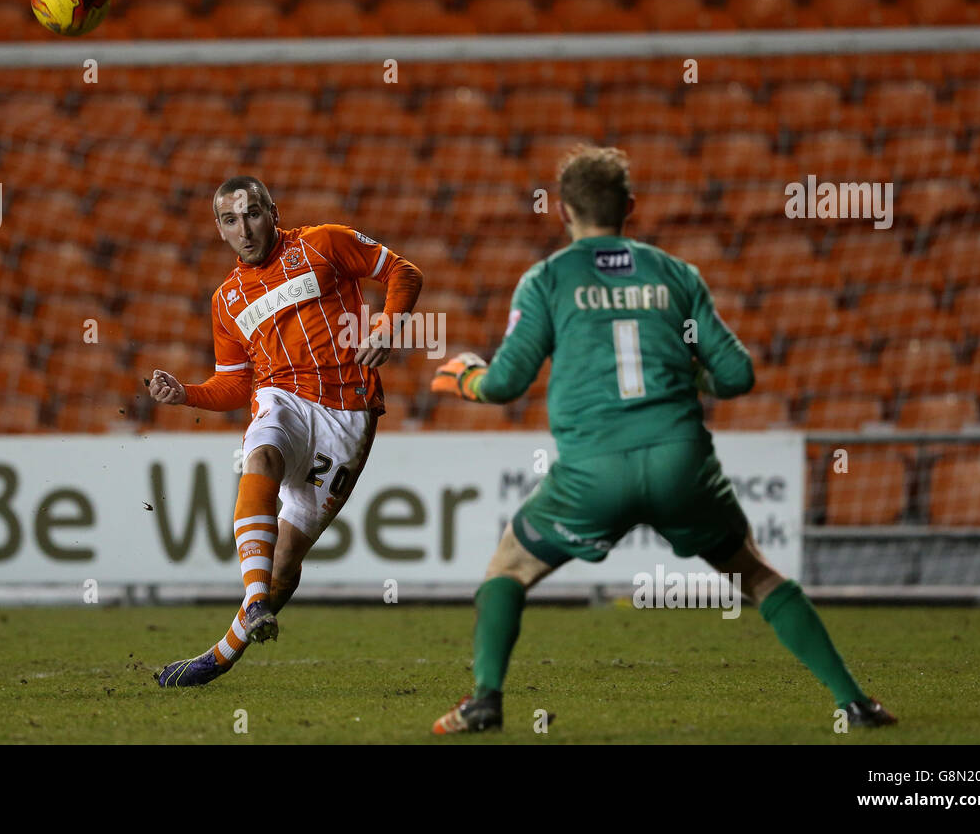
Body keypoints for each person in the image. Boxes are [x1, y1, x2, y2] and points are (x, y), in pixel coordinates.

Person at [428, 146, 895, 733]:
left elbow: (505, 384)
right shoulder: (676, 275)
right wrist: (687, 366)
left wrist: (464, 377)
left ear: (565, 210)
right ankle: (854, 703)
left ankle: (485, 702)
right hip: (681, 461)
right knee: (755, 574)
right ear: (629, 207)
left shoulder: (548, 278)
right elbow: (738, 376)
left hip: (593, 471)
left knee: (509, 568)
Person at [149, 175, 422, 687]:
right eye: (230, 220)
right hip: (282, 398)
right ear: (219, 228)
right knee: (263, 454)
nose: (244, 229)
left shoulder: (324, 243)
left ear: (274, 210)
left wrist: (388, 325)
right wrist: (185, 393)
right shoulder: (227, 300)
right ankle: (253, 606)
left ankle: (221, 654)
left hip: (350, 414)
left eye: (252, 214)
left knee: (286, 563)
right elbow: (234, 385)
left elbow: (404, 272)